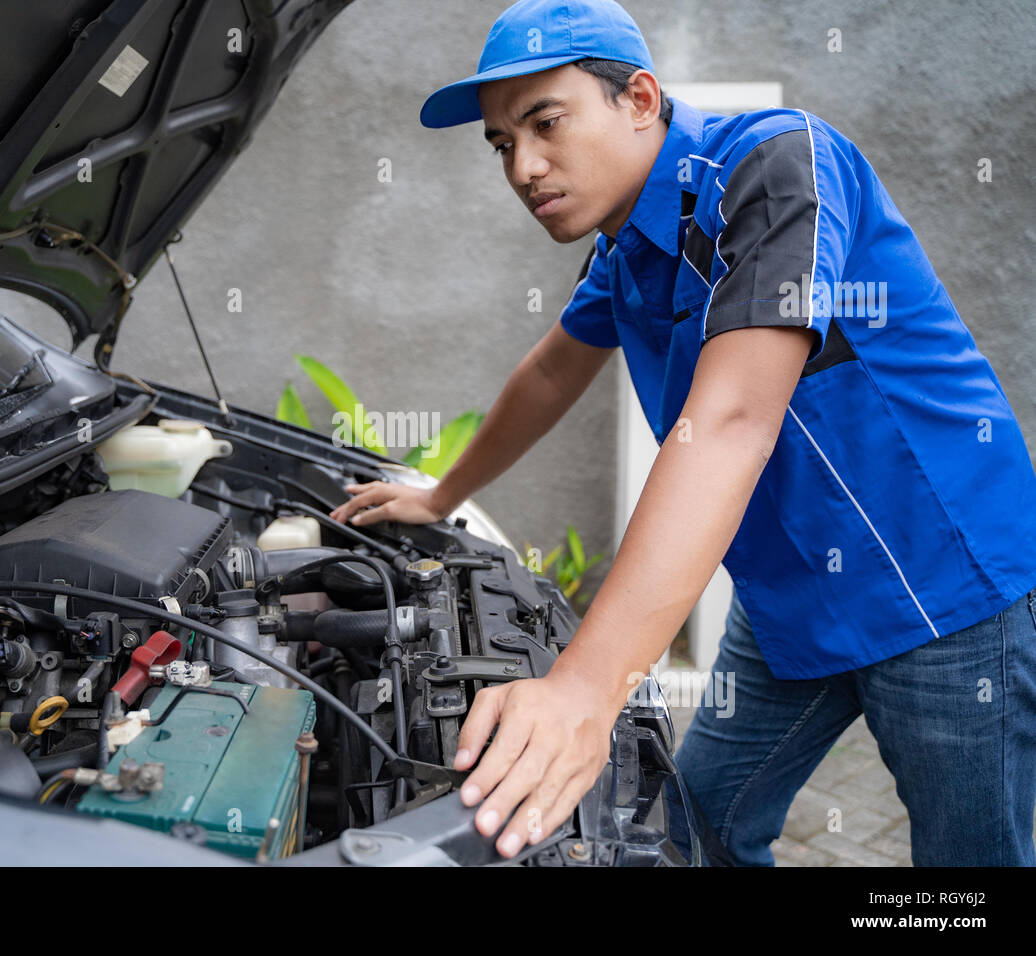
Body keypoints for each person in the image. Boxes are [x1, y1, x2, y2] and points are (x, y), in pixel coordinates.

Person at [328, 0, 1036, 865]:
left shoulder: (776, 166)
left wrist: (585, 692)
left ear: (638, 98)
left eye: (545, 122)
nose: (524, 165)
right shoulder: (627, 249)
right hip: (792, 595)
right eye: (502, 142)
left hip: (943, 584)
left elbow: (732, 420)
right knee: (699, 827)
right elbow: (553, 370)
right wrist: (443, 494)